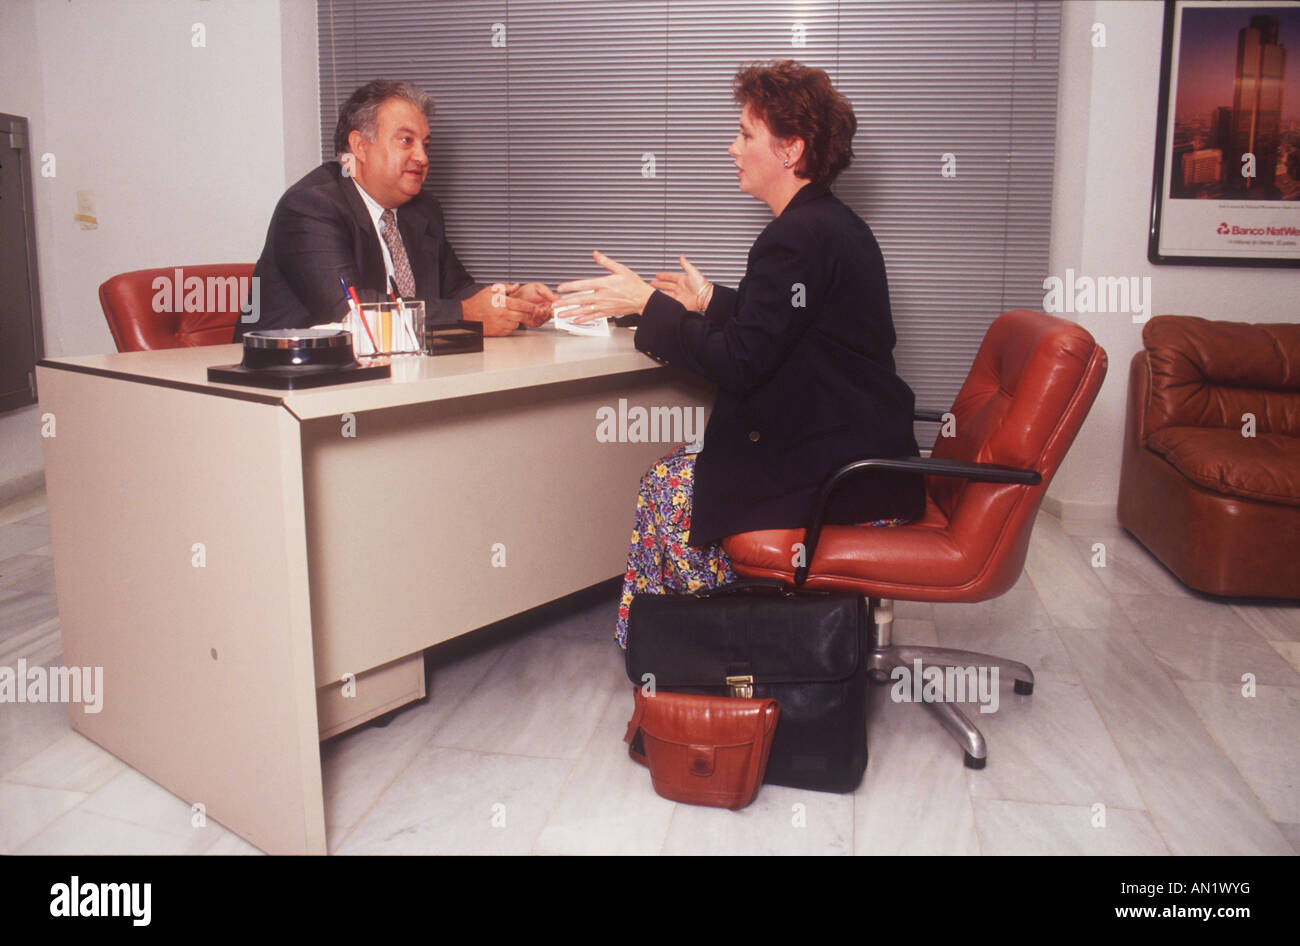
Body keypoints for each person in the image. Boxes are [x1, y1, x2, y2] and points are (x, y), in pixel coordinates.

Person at [555, 61, 926, 647]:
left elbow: (742, 362)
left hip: (844, 472)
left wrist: (648, 303)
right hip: (860, 449)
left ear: (790, 150)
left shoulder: (795, 236)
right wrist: (705, 300)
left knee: (667, 491)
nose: (732, 147)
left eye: (746, 135)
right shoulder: (828, 224)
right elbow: (799, 332)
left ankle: (693, 654)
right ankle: (711, 648)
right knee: (676, 473)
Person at [239, 80, 556, 339]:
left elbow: (455, 288)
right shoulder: (311, 206)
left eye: (426, 145)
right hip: (287, 383)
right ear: (360, 146)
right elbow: (351, 311)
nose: (422, 157)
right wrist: (467, 314)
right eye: (407, 141)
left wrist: (509, 302)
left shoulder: (422, 210)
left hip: (391, 373)